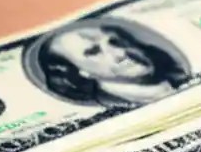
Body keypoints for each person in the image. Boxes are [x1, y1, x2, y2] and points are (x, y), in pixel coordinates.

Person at [39, 23, 187, 107]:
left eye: (114, 41)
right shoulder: (113, 108)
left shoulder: (179, 75)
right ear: (79, 72)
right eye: (93, 52)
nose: (120, 53)